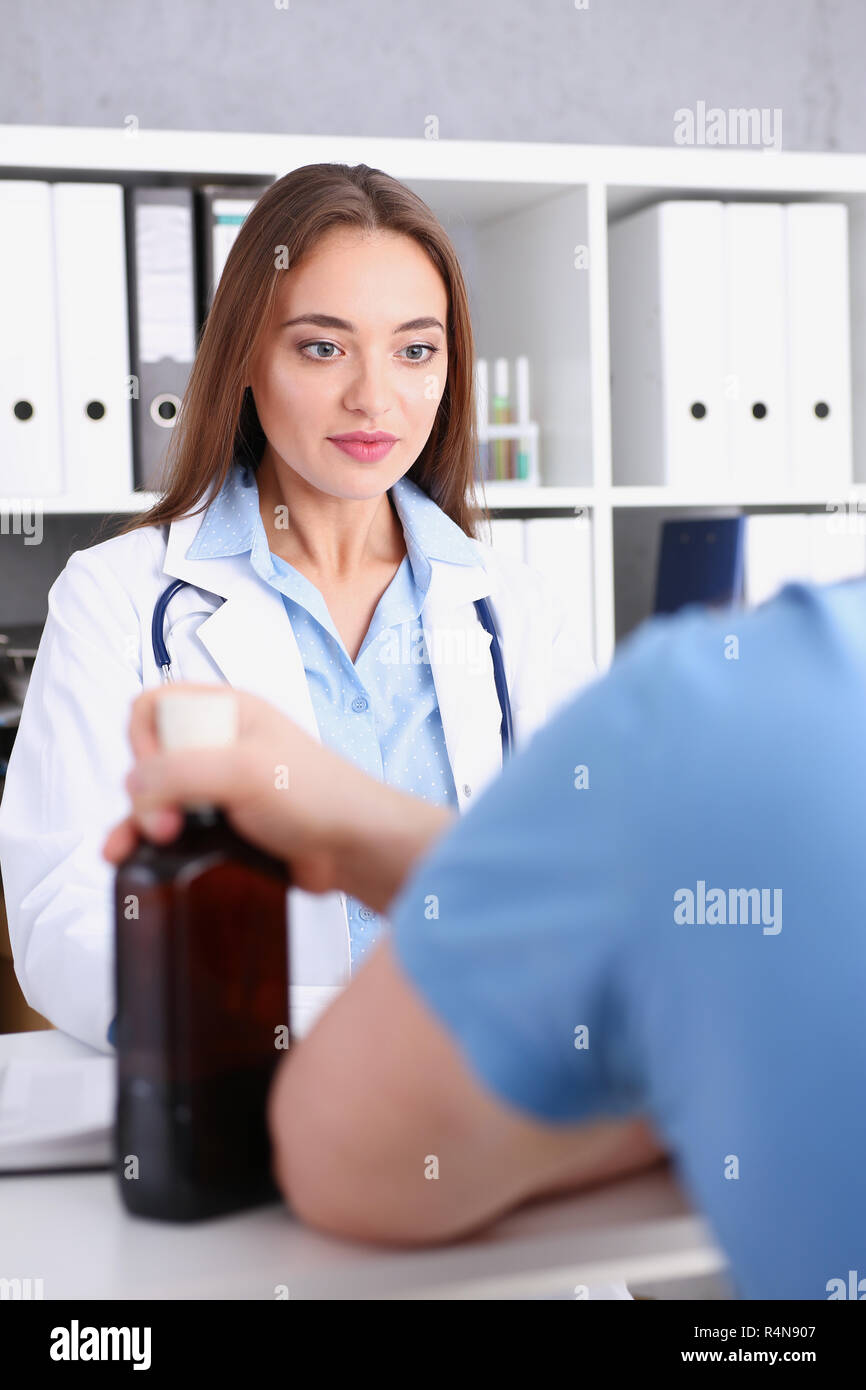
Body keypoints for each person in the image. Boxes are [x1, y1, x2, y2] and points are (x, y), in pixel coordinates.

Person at [104, 573, 866, 1300]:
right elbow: (617, 912)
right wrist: (363, 835)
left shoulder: (704, 710)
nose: (372, 423)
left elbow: (347, 1149)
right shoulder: (111, 592)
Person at [0, 162, 591, 1052]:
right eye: (323, 346)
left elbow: (583, 886)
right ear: (244, 354)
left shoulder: (516, 610)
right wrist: (246, 1029)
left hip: (479, 1096)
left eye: (415, 349)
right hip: (240, 1095)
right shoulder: (116, 597)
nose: (374, 397)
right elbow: (63, 911)